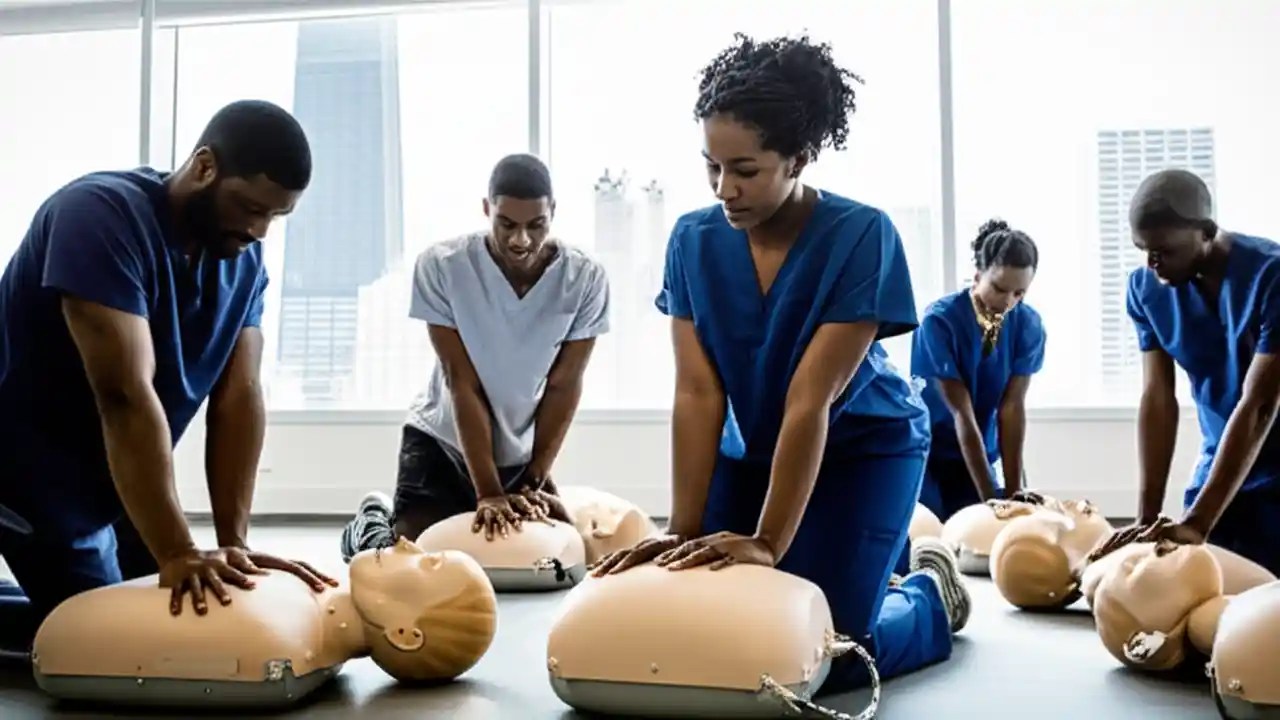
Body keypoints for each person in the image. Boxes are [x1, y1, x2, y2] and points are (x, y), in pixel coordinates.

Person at [587, 33, 970, 694]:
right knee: (714, 631)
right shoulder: (691, 238)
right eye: (711, 167)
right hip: (753, 455)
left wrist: (767, 541)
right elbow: (698, 394)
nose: (724, 188)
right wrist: (682, 529)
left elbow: (809, 399)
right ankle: (864, 565)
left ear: (800, 157)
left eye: (745, 170)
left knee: (826, 655)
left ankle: (930, 594)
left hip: (864, 449)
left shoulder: (864, 234)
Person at [0, 100, 337, 652]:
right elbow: (124, 394)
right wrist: (177, 551)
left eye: (275, 217)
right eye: (250, 207)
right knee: (108, 645)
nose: (258, 230)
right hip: (26, 477)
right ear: (205, 166)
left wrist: (233, 542)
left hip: (118, 475)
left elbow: (239, 397)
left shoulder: (244, 261)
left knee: (184, 611)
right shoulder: (97, 216)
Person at [339, 153, 610, 561]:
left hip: (516, 453)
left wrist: (533, 479)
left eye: (536, 225)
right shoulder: (441, 266)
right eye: (507, 224)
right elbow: (461, 382)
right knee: (405, 560)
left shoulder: (585, 278)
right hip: (441, 442)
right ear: (487, 209)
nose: (521, 240)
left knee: (556, 557)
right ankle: (374, 517)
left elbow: (564, 385)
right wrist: (487, 493)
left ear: (553, 212)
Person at [1090, 168, 1280, 575]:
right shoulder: (1145, 290)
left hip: (1273, 462)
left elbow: (1260, 403)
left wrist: (1198, 522)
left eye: (1163, 250)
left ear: (1207, 232)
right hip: (1220, 466)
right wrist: (1146, 518)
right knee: (1197, 588)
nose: (1151, 264)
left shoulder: (1271, 275)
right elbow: (1158, 399)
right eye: (1142, 250)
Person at [911, 219, 1045, 521]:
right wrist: (991, 502)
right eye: (999, 288)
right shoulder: (939, 322)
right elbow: (962, 413)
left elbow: (1011, 408)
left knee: (987, 530)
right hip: (927, 456)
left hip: (978, 455)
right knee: (933, 530)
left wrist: (1013, 496)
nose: (1008, 302)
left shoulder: (1028, 324)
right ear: (977, 275)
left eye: (1019, 293)